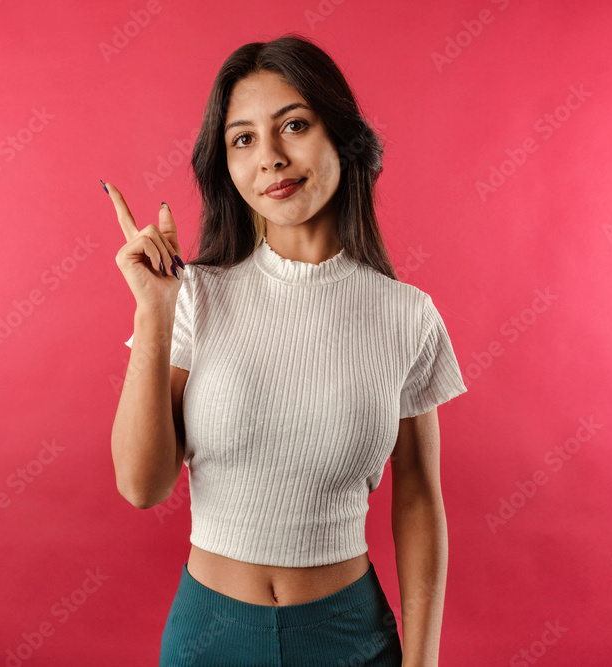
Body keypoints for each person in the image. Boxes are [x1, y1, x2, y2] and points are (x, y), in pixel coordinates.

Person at [109, 33, 467, 667]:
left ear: (342, 136)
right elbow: (141, 485)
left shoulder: (407, 315)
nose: (270, 157)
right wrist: (154, 311)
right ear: (227, 166)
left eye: (293, 125)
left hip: (348, 636)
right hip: (208, 636)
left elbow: (417, 500)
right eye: (243, 139)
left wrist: (424, 661)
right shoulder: (194, 297)